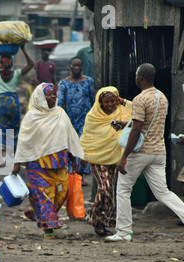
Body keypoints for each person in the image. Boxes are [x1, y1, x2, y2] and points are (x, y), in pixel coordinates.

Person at [106, 63, 184, 241]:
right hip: (159, 152)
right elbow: (148, 123)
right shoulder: (162, 97)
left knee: (124, 190)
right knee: (163, 192)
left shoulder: (140, 99)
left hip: (141, 152)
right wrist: (126, 124)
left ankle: (124, 232)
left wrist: (124, 157)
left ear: (140, 77)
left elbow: (137, 130)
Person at [12, 83, 84, 239]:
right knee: (44, 197)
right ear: (40, 97)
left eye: (54, 94)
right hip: (38, 165)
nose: (53, 97)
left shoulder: (60, 113)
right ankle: (48, 229)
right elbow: (24, 142)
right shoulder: (32, 117)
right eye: (48, 94)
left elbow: (69, 137)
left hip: (59, 163)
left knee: (61, 195)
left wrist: (74, 160)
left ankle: (37, 212)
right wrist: (17, 164)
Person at [80, 86, 132, 236]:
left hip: (115, 158)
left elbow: (137, 110)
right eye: (106, 101)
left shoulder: (122, 112)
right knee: (105, 187)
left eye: (113, 101)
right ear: (100, 103)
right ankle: (95, 218)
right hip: (97, 158)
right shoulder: (92, 116)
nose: (109, 104)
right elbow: (87, 138)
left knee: (109, 191)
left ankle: (101, 222)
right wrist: (84, 156)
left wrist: (123, 101)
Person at [0, 44, 34, 152]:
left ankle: (0, 159)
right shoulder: (16, 74)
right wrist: (23, 49)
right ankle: (14, 156)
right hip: (13, 104)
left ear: (0, 63)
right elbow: (31, 64)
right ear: (11, 63)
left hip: (1, 103)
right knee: (14, 128)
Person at [57, 56, 94, 184]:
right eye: (74, 65)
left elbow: (93, 99)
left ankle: (81, 174)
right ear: (70, 67)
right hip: (70, 120)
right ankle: (73, 174)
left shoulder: (89, 81)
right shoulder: (64, 84)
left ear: (82, 67)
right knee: (71, 145)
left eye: (79, 65)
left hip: (85, 119)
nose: (77, 68)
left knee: (83, 145)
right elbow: (59, 102)